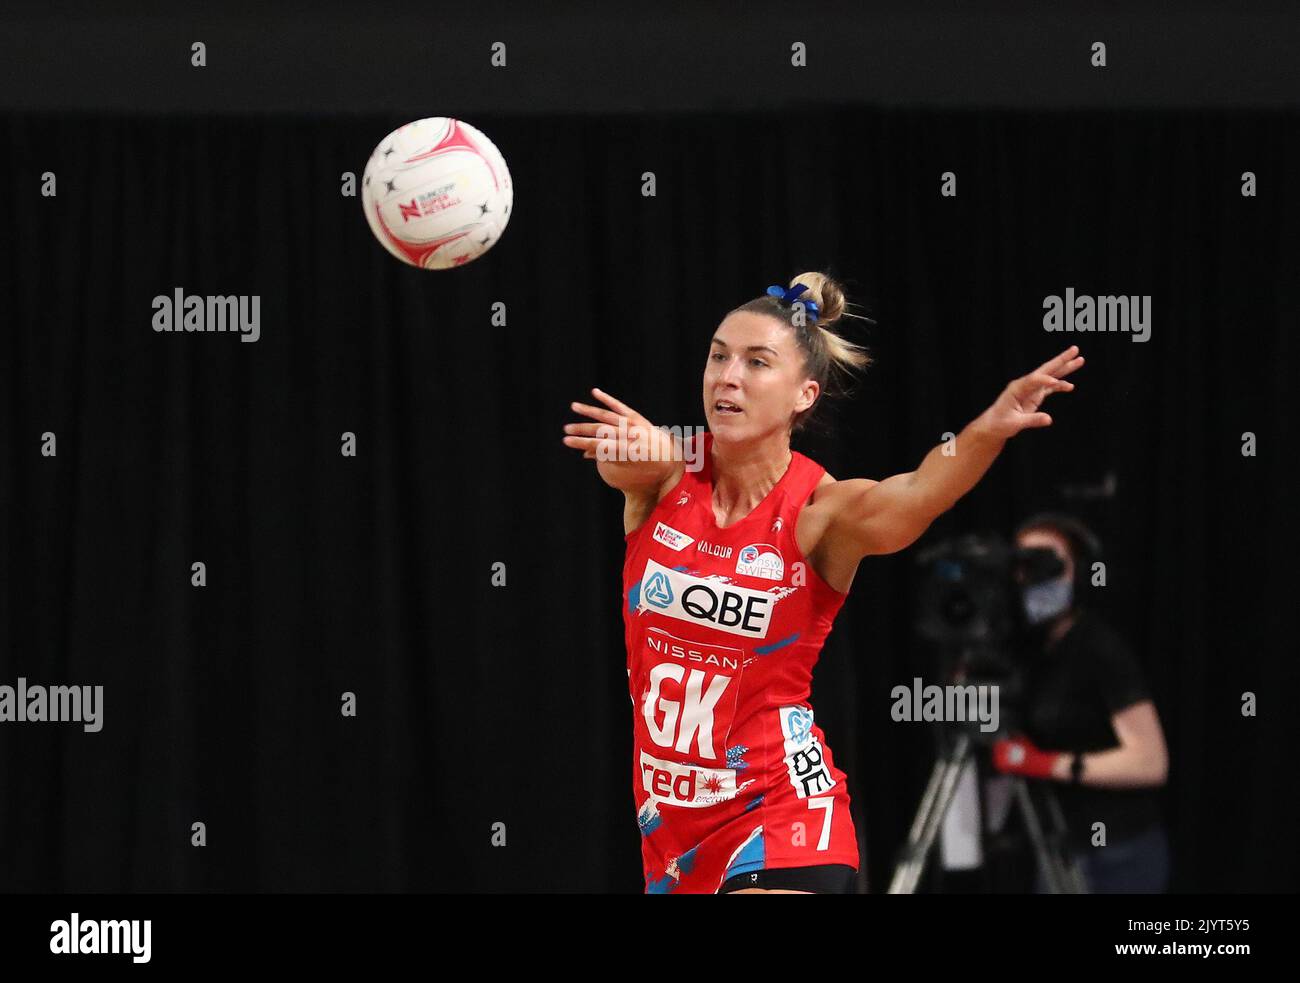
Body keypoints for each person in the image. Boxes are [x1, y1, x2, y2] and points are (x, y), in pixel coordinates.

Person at [562, 273, 1084, 894]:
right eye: (718, 355)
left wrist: (988, 430)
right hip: (674, 834)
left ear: (804, 395)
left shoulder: (821, 513)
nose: (728, 375)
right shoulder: (664, 479)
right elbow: (634, 457)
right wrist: (634, 445)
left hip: (783, 813)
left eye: (757, 362)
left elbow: (920, 491)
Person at [992, 514, 1170, 892]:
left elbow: (1150, 762)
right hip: (1061, 848)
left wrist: (1048, 764)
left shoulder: (1099, 648)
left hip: (1117, 854)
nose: (1035, 575)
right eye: (1025, 563)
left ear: (1079, 572)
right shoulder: (1033, 651)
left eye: (1049, 562)